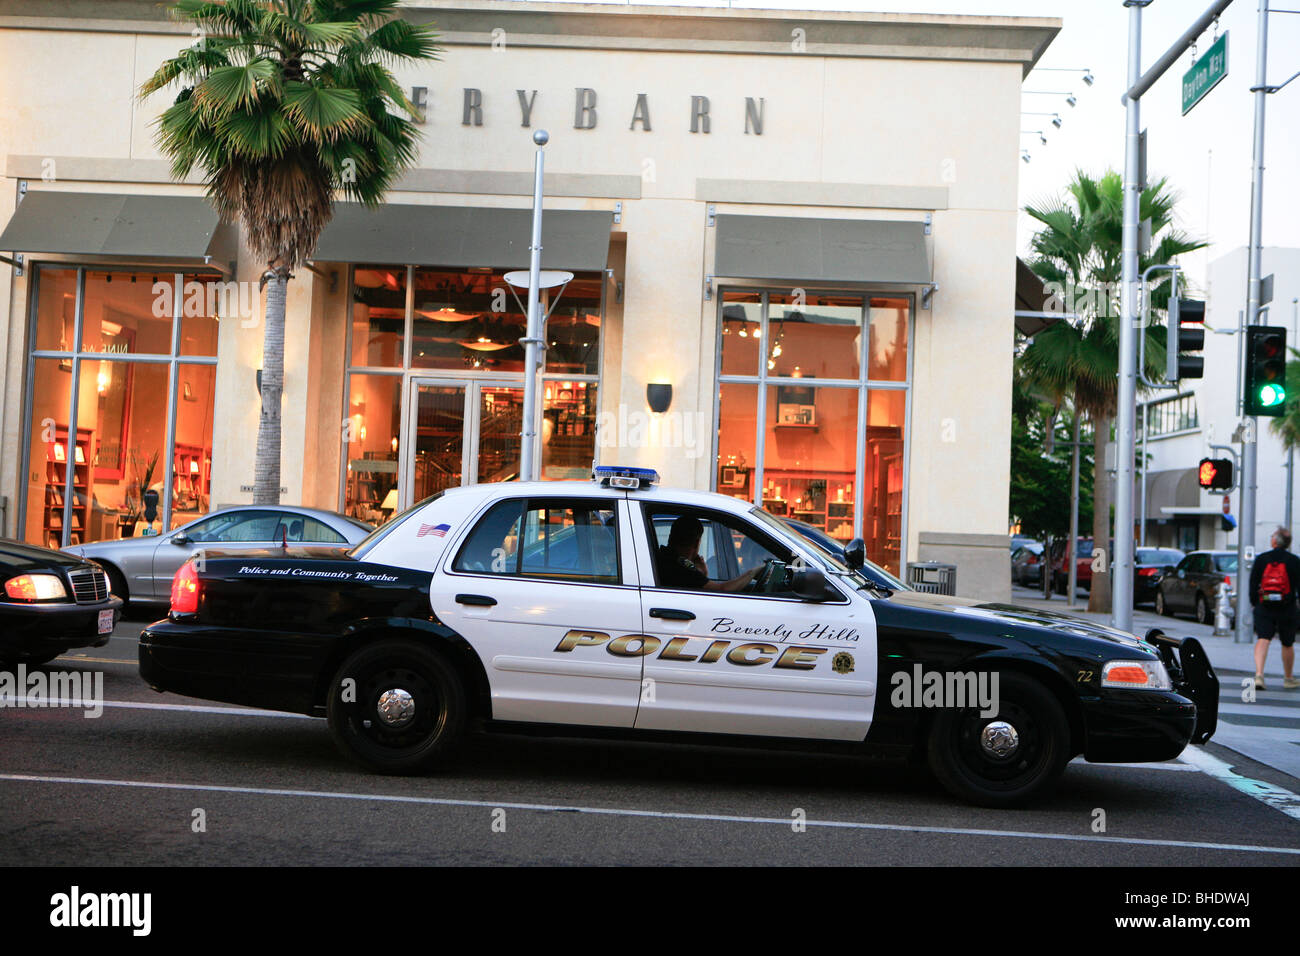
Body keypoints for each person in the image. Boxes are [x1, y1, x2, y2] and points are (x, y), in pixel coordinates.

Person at [655, 515, 762, 592]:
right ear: (697, 542)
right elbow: (722, 590)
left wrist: (702, 575)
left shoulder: (666, 558)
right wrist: (752, 573)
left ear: (671, 536)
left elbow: (698, 585)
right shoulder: (681, 567)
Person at [1249, 527, 1300, 690]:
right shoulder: (1294, 560)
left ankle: (1259, 675)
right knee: (1287, 642)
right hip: (1287, 607)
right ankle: (1288, 678)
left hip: (1264, 606)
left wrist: (1255, 602)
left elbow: (1253, 583)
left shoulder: (1262, 559)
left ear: (1274, 541)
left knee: (1263, 639)